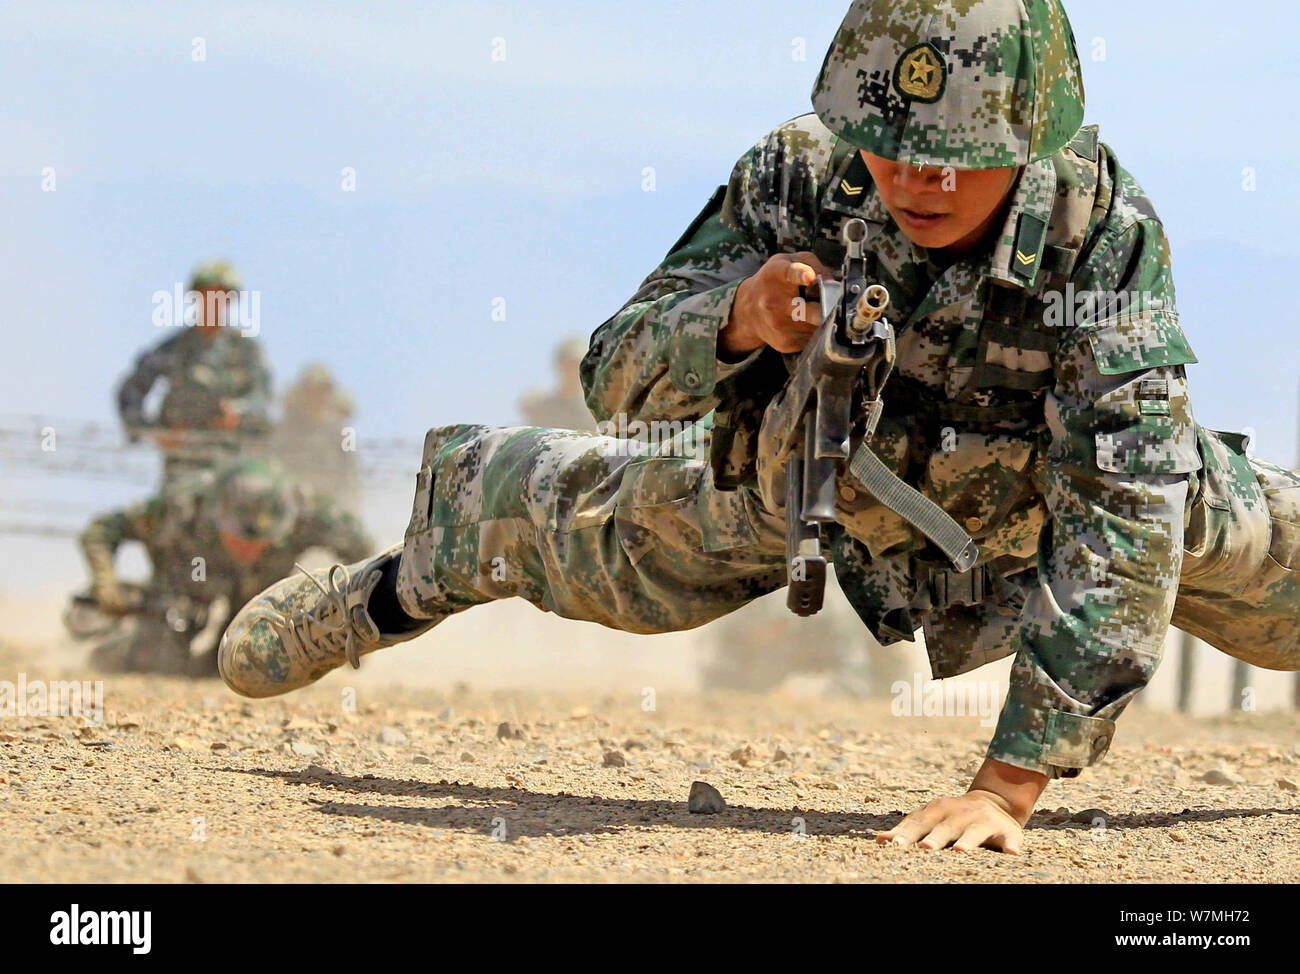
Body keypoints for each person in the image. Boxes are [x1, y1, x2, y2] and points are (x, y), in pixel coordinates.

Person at [217, 0, 1300, 854]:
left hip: (1039, 504)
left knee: (1252, 547)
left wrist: (1007, 783)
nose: (913, 178)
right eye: (886, 142)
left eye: (952, 153)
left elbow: (1123, 503)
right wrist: (733, 319)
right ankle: (389, 589)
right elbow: (617, 371)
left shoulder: (1098, 230)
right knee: (562, 523)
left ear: (1023, 134)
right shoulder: (798, 173)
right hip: (803, 478)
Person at [80, 457, 371, 674]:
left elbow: (365, 556)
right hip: (183, 596)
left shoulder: (308, 512)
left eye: (264, 540)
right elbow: (102, 531)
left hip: (258, 603)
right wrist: (106, 585)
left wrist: (354, 619)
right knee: (155, 659)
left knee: (253, 665)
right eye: (240, 537)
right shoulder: (184, 505)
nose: (251, 548)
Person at [117, 258, 272, 489]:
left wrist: (237, 412)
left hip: (231, 462)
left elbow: (262, 397)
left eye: (221, 296)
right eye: (207, 295)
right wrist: (152, 431)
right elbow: (130, 392)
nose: (214, 303)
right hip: (182, 462)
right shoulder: (174, 348)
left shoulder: (246, 351)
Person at [272, 363, 361, 514]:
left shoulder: (342, 433)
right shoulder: (283, 430)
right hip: (287, 504)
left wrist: (349, 507)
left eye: (322, 391)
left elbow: (350, 476)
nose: (317, 397)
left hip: (329, 508)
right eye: (312, 391)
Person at [518, 336, 598, 431]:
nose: (571, 369)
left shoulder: (597, 408)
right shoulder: (540, 406)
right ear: (559, 364)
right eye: (567, 363)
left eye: (577, 363)